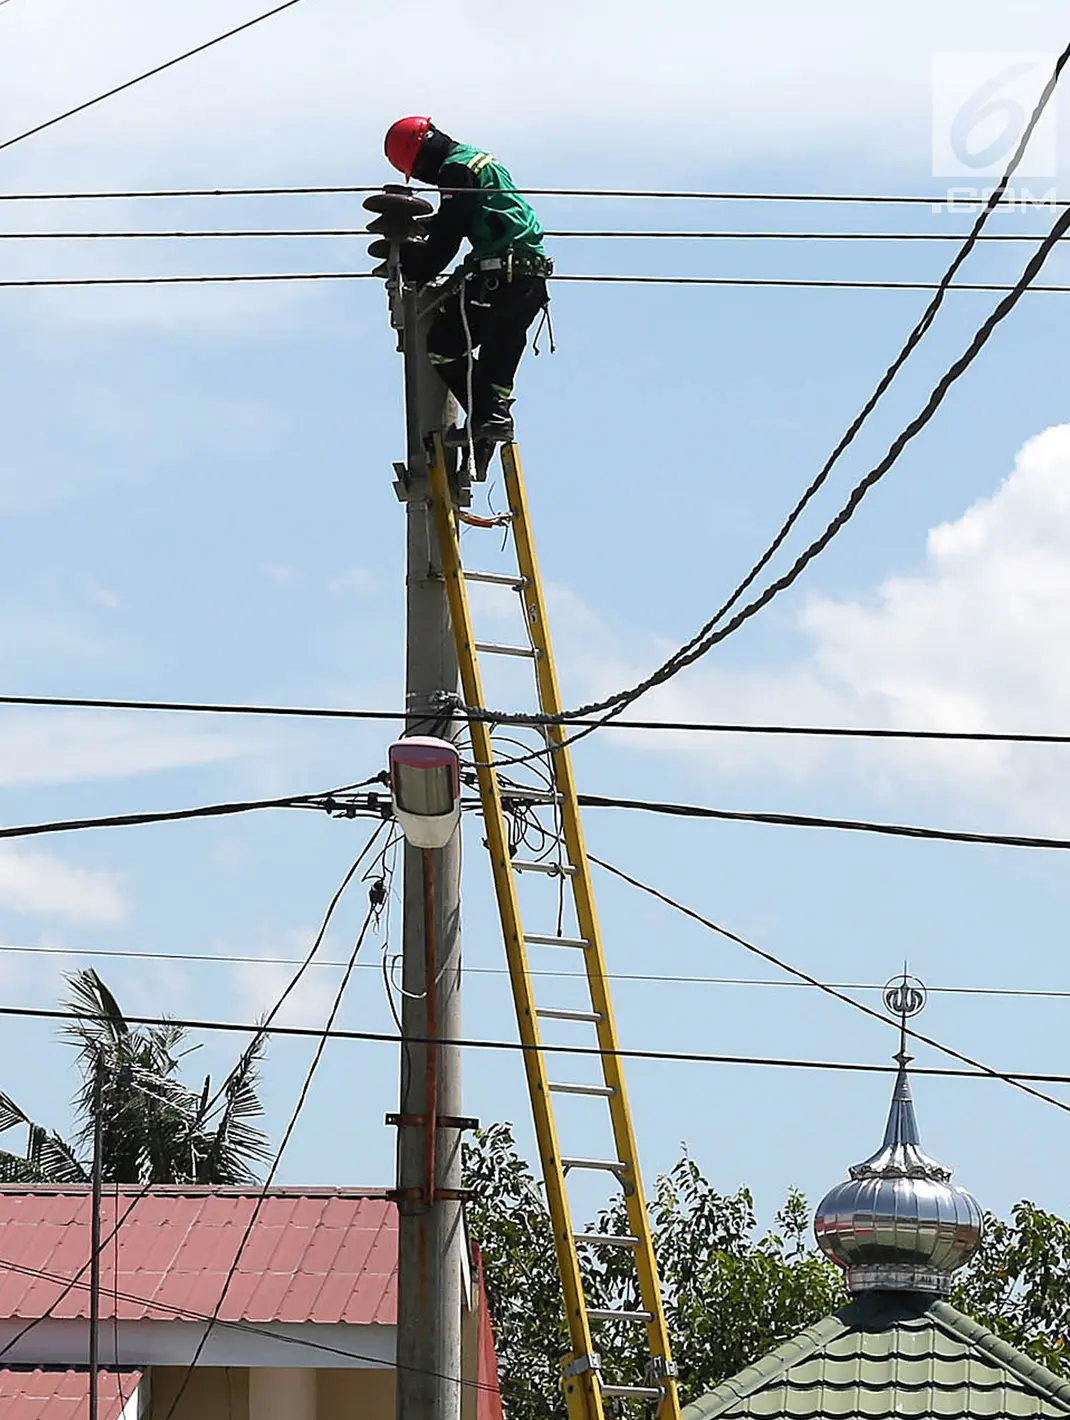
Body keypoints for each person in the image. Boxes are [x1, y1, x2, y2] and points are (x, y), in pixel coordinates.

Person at [383, 116, 552, 445]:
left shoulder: (456, 170)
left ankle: (491, 418)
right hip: (530, 282)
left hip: (501, 279)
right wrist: (434, 227)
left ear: (423, 153)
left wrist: (416, 271)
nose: (423, 179)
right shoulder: (480, 160)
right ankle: (487, 433)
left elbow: (449, 237)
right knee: (493, 380)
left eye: (417, 171)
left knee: (444, 346)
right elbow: (468, 216)